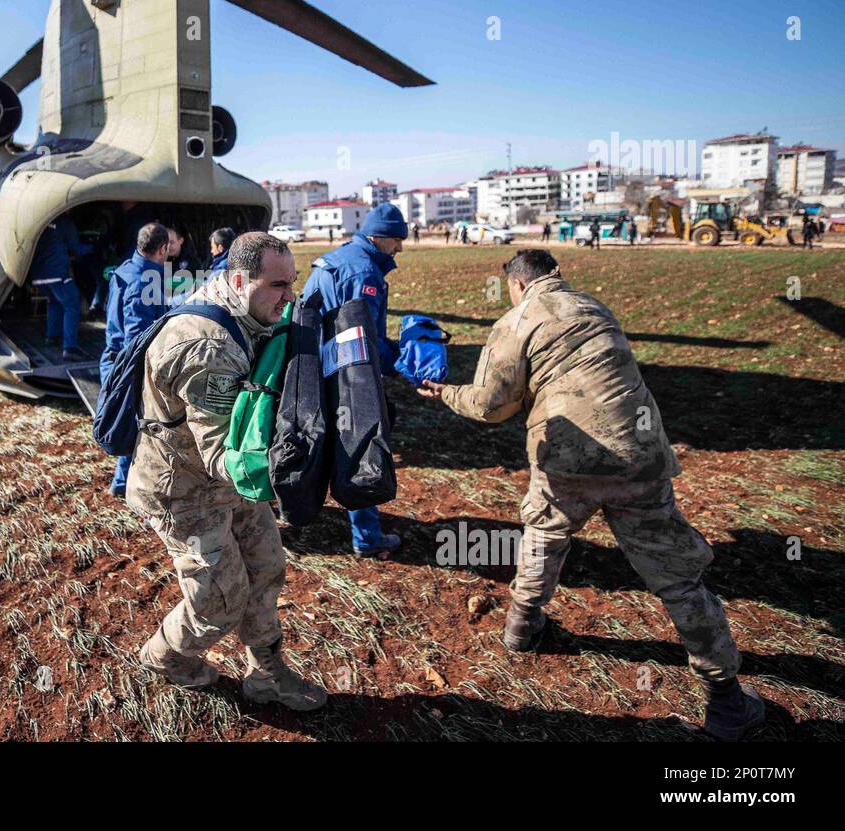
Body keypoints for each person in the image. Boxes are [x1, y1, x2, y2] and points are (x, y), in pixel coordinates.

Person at [418, 249, 764, 741]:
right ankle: (726, 701)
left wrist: (445, 393)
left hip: (566, 461)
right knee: (678, 578)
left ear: (517, 286)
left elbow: (493, 406)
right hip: (638, 455)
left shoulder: (516, 321)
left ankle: (522, 627)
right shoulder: (594, 306)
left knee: (543, 535)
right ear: (554, 277)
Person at [130, 233, 328, 710]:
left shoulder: (248, 311)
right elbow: (224, 455)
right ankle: (164, 658)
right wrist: (298, 461)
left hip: (228, 482)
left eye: (293, 282)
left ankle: (267, 673)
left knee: (265, 567)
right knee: (219, 602)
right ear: (239, 280)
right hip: (185, 492)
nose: (289, 296)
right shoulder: (206, 348)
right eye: (278, 285)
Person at [299, 202, 407, 559]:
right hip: (347, 373)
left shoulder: (332, 259)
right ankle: (368, 538)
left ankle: (293, 509)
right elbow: (366, 337)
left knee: (305, 442)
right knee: (360, 449)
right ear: (379, 237)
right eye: (396, 241)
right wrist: (399, 363)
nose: (400, 248)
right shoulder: (364, 274)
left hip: (309, 365)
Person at [100, 222, 171, 497]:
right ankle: (128, 484)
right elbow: (138, 334)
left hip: (113, 355)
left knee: (133, 423)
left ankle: (121, 482)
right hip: (129, 362)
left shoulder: (127, 268)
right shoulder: (146, 280)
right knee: (140, 424)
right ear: (162, 249)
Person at [29, 213, 92, 362]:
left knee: (55, 302)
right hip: (58, 273)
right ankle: (70, 348)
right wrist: (96, 247)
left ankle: (52, 337)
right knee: (72, 305)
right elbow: (77, 248)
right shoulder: (64, 222)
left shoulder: (41, 219)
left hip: (38, 274)